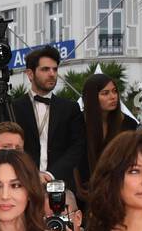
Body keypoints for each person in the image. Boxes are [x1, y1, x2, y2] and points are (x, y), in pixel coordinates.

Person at [10, 46, 85, 187]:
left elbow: (77, 147)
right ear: (30, 74)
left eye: (55, 69)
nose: (52, 74)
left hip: (60, 183)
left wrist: (50, 174)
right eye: (45, 69)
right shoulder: (13, 108)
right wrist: (31, 174)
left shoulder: (70, 108)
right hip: (22, 183)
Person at [74, 74, 138, 195]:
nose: (113, 97)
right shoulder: (78, 123)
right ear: (92, 97)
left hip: (119, 190)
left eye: (114, 91)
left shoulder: (128, 124)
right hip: (83, 191)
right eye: (105, 93)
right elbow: (73, 161)